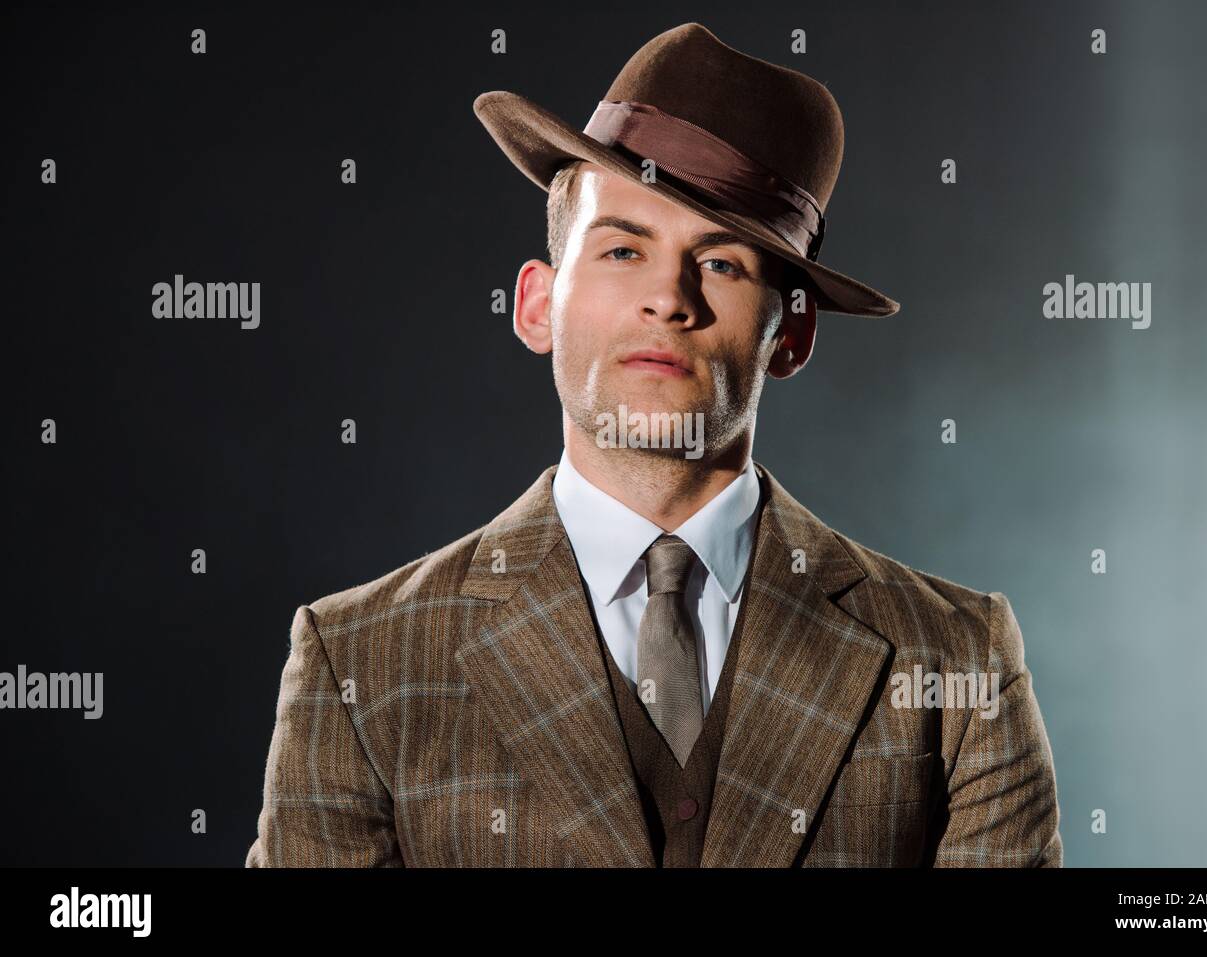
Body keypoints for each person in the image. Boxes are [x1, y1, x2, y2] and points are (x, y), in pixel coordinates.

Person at [246, 21, 1062, 867]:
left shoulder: (958, 659)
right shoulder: (360, 662)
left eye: (722, 264)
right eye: (623, 248)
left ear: (792, 335)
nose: (666, 298)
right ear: (537, 305)